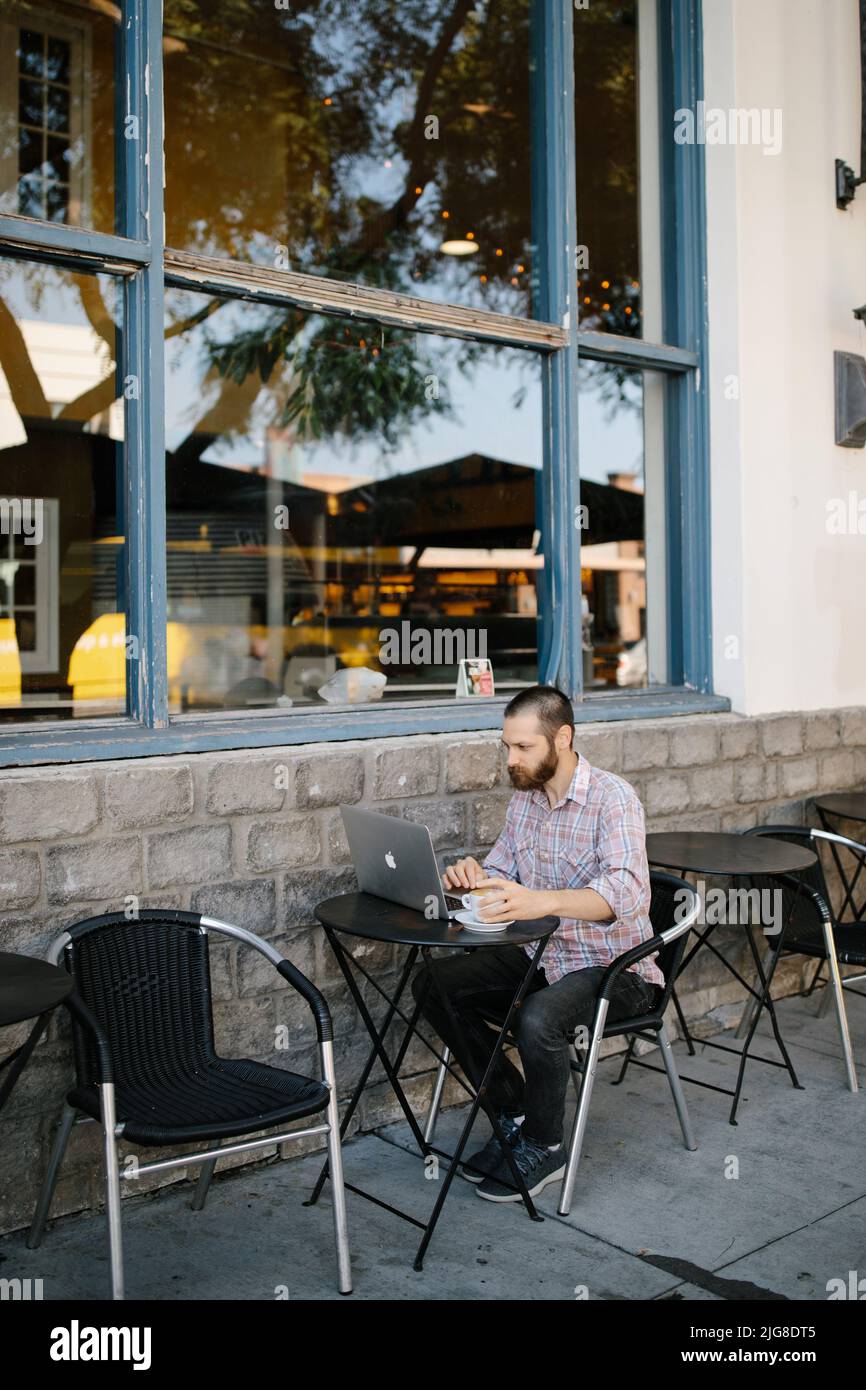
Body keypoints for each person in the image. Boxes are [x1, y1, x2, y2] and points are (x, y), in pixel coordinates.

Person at [411, 684, 663, 1202]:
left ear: (562, 738)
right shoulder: (526, 801)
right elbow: (502, 875)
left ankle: (544, 1145)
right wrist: (471, 878)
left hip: (618, 969)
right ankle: (514, 1110)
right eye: (507, 745)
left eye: (523, 747)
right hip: (542, 957)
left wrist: (540, 901)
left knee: (539, 1018)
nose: (511, 758)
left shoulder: (613, 799)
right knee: (432, 983)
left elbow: (629, 893)